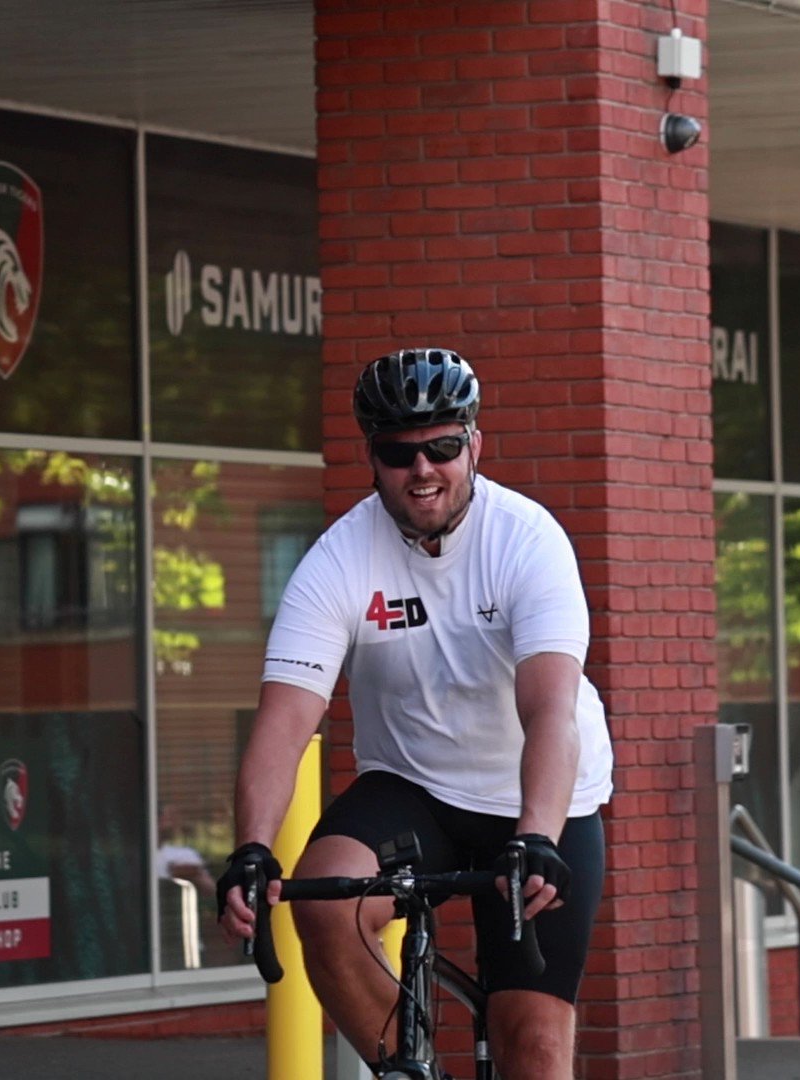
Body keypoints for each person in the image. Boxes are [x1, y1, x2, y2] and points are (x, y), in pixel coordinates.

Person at [216, 348, 614, 1079]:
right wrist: (252, 848)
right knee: (326, 897)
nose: (423, 469)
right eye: (400, 452)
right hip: (413, 786)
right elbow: (283, 723)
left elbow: (550, 709)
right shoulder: (339, 560)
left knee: (533, 1041)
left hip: (534, 796)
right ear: (372, 455)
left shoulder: (528, 541)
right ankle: (410, 1071)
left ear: (474, 445)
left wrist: (536, 833)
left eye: (442, 447)